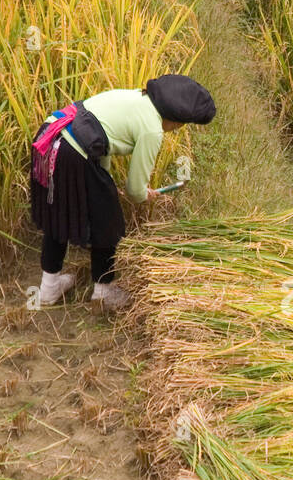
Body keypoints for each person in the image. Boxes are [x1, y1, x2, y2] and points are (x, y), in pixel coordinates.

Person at [29, 74, 215, 308]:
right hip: (73, 152)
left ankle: (48, 290)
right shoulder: (152, 129)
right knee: (108, 223)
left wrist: (103, 181)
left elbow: (100, 137)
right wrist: (144, 194)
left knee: (58, 214)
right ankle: (103, 293)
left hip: (50, 134)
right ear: (177, 122)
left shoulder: (134, 96)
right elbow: (134, 190)